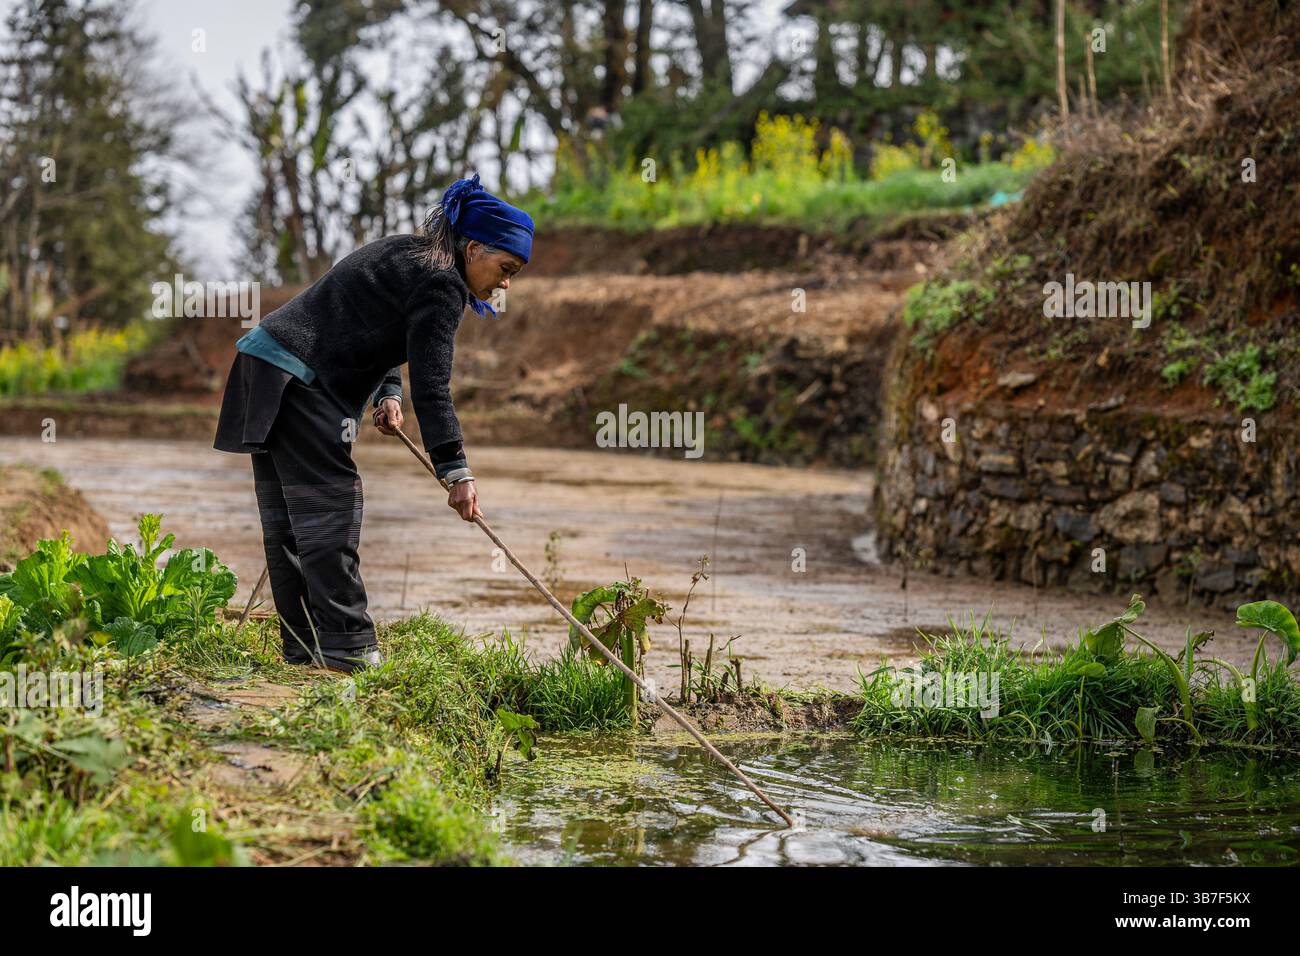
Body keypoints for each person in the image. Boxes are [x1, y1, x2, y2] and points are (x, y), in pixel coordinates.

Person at [213, 174, 533, 672]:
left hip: (263, 365)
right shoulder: (443, 285)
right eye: (505, 267)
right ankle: (351, 652)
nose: (506, 283)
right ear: (473, 249)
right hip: (300, 378)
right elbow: (433, 389)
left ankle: (304, 651)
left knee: (291, 523)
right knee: (328, 510)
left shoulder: (407, 253)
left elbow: (371, 320)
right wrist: (457, 472)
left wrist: (385, 392)